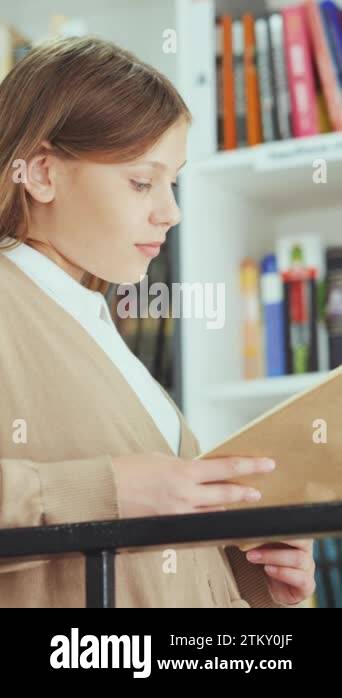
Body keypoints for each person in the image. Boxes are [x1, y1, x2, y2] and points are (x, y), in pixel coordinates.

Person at [0, 36, 315, 608]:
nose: (170, 212)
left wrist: (248, 574)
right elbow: (108, 502)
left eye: (173, 182)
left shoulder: (94, 323)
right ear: (42, 173)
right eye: (142, 182)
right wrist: (107, 491)